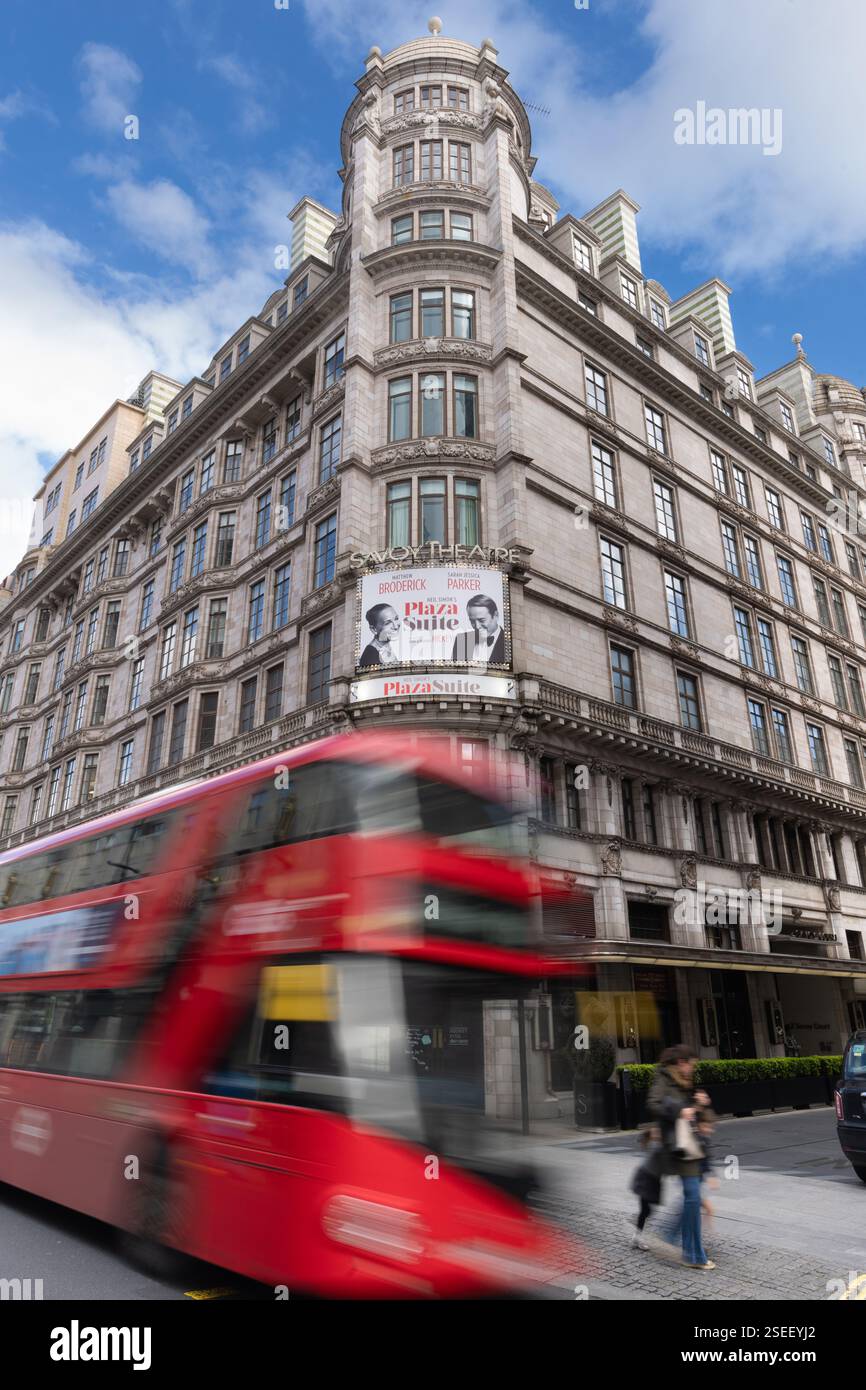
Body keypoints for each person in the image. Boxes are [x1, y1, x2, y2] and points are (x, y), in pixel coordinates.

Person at [646, 1044, 715, 1270]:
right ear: (681, 1063)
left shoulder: (687, 1083)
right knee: (693, 1197)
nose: (692, 1069)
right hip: (677, 1146)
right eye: (691, 1065)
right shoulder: (663, 1079)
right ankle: (693, 1254)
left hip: (691, 1145)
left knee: (692, 1198)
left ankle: (690, 1250)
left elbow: (697, 1116)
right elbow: (653, 1104)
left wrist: (702, 1105)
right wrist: (678, 1110)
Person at [451, 595, 506, 662]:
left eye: (482, 620)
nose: (477, 626)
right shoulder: (461, 640)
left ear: (496, 615)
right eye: (472, 621)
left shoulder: (508, 643)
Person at [358, 603, 401, 668]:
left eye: (396, 618)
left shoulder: (387, 646)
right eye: (387, 623)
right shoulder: (370, 656)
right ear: (374, 629)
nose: (396, 626)